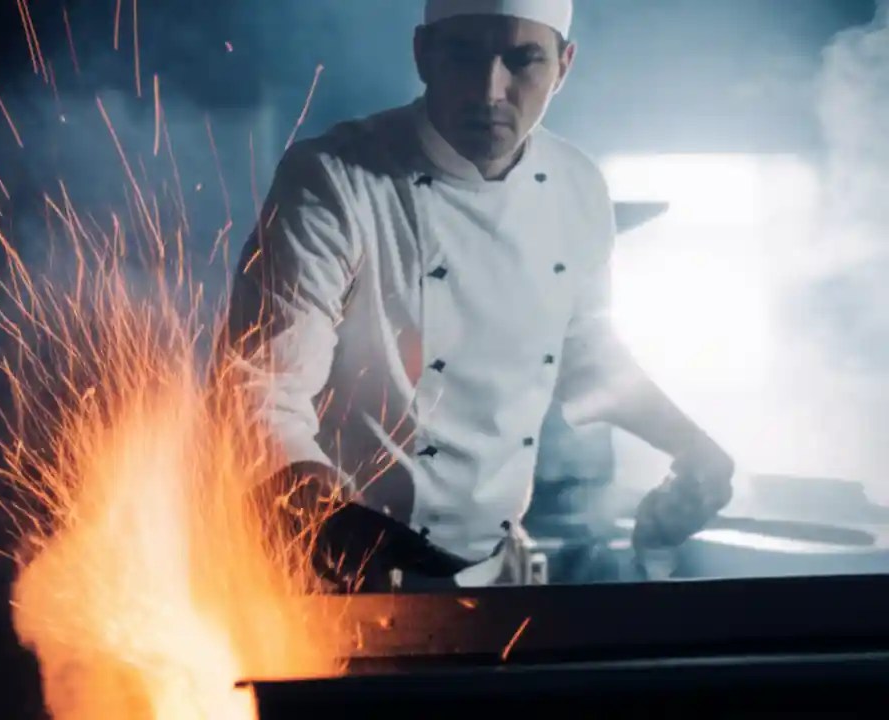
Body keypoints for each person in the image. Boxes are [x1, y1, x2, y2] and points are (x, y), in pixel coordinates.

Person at [222, 0, 735, 590]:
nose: (490, 90)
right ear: (423, 55)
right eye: (464, 54)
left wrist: (692, 447)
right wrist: (312, 505)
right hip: (333, 574)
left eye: (523, 60)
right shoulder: (335, 178)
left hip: (496, 574)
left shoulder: (578, 188)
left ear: (563, 66)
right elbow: (259, 386)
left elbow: (584, 354)